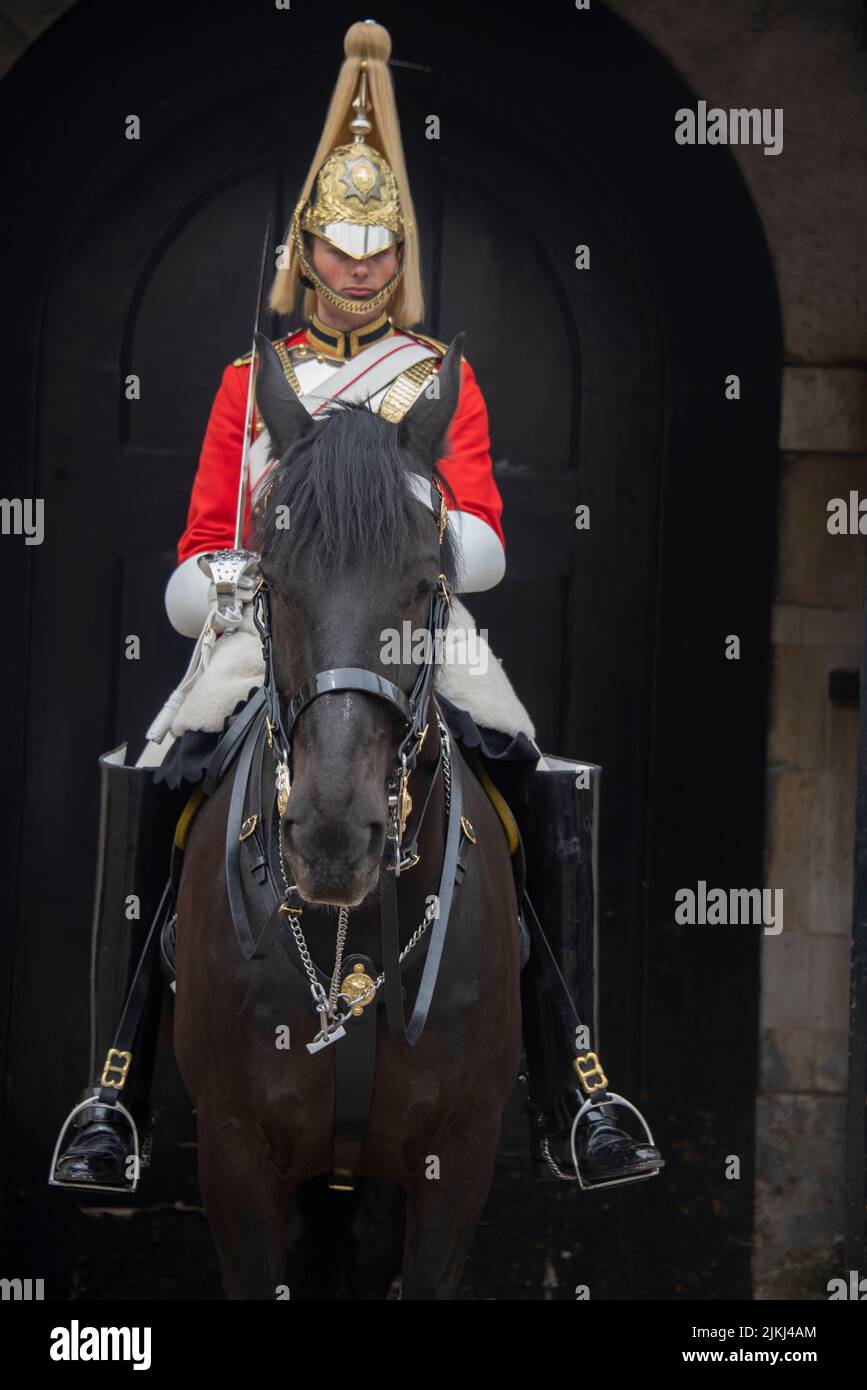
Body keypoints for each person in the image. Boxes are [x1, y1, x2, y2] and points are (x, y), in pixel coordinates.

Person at [50, 19, 662, 1194]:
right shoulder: (249, 380)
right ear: (308, 248)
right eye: (342, 244)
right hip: (268, 616)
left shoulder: (442, 377)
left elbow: (481, 537)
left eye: (383, 249)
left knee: (530, 768)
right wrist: (238, 579)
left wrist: (427, 532)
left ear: (403, 254)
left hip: (414, 616)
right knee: (161, 766)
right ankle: (115, 1086)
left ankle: (578, 1080)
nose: (363, 267)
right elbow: (195, 551)